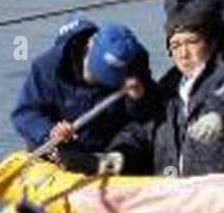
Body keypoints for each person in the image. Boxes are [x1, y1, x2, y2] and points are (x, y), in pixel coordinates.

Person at [104, 9, 224, 177]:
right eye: (175, 46)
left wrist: (222, 116)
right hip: (176, 194)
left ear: (212, 43)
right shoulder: (167, 91)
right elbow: (141, 130)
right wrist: (121, 152)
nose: (184, 54)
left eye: (192, 42)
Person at [11, 18, 154, 153]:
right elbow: (24, 114)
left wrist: (138, 99)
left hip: (113, 149)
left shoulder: (135, 64)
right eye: (96, 76)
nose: (97, 83)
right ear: (87, 51)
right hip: (60, 148)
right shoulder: (48, 67)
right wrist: (49, 131)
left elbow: (149, 115)